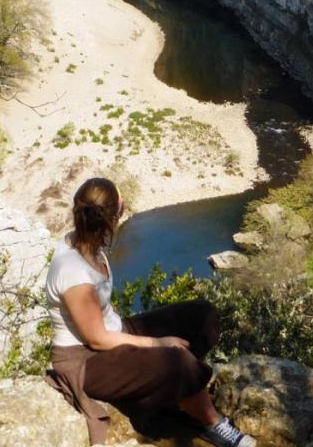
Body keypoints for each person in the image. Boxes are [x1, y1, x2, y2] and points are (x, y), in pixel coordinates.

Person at [44, 177, 256, 447]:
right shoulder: (73, 271)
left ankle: (176, 391)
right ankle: (212, 422)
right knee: (177, 362)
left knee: (202, 315)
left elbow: (105, 319)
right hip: (85, 360)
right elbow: (97, 339)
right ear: (113, 218)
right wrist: (158, 344)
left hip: (115, 333)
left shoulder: (87, 245)